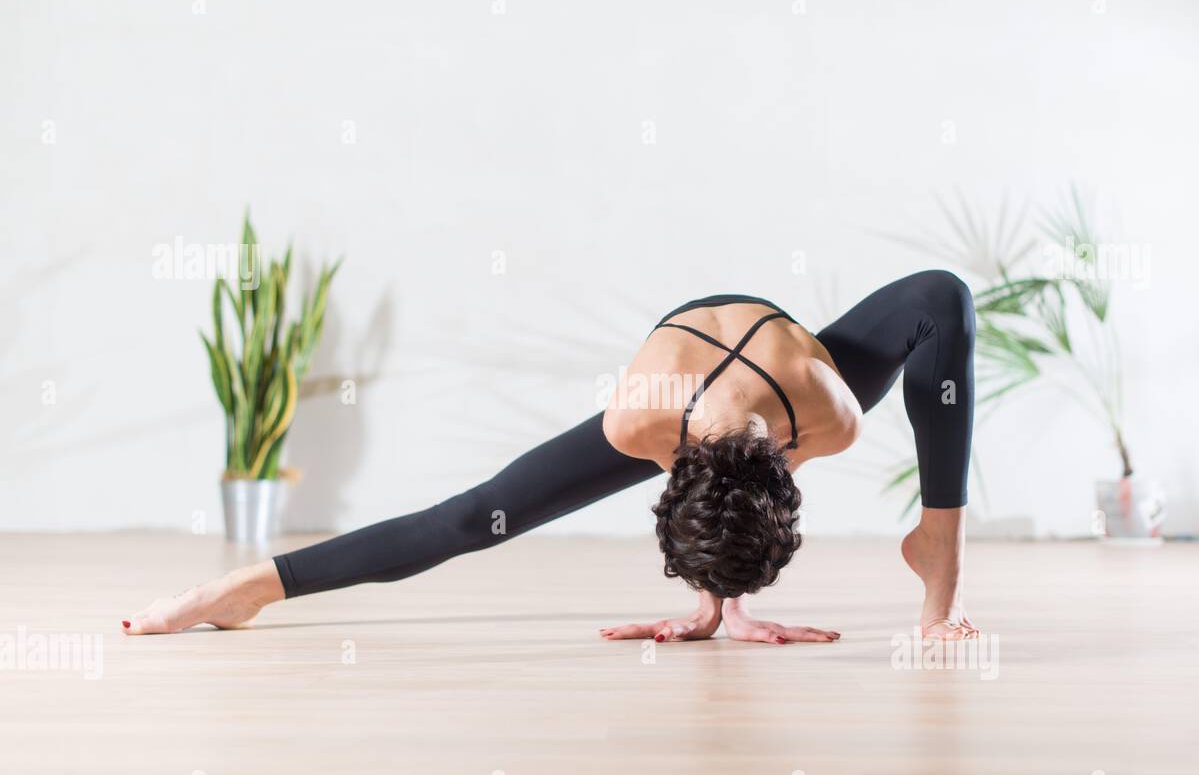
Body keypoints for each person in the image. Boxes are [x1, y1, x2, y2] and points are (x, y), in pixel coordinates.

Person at [122, 270, 978, 643]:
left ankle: (939, 553)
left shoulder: (826, 412)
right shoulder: (637, 423)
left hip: (780, 370)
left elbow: (761, 489)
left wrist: (728, 601)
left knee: (942, 298)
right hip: (690, 380)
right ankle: (241, 589)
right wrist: (721, 603)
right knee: (471, 517)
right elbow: (727, 485)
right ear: (672, 474)